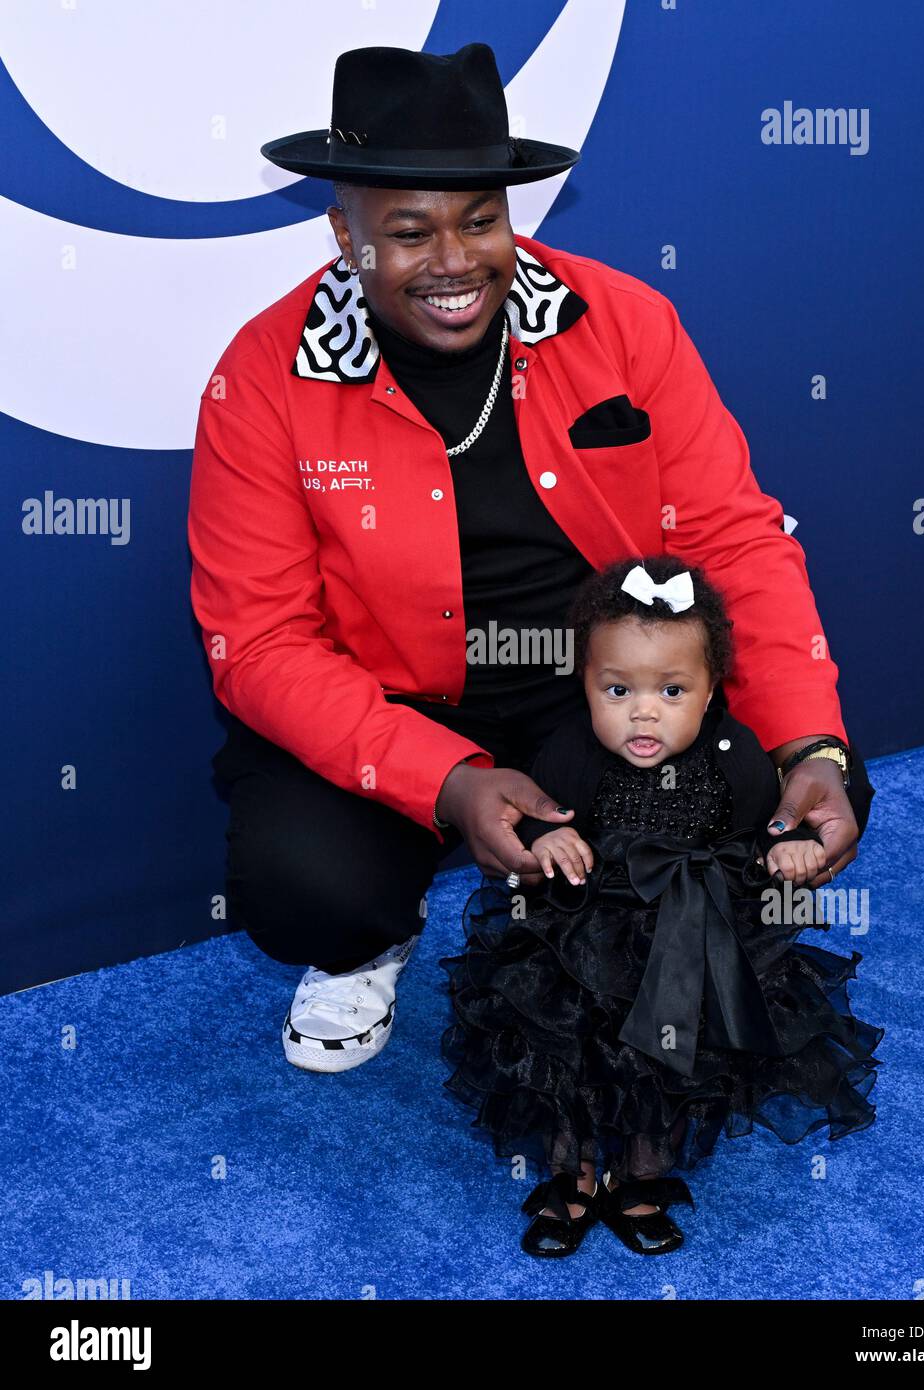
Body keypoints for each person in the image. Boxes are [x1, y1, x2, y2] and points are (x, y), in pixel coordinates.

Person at [189, 42, 870, 1075]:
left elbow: (732, 540)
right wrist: (446, 778)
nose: (455, 261)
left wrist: (809, 744)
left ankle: (572, 925)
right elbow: (262, 643)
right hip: (386, 704)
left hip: (586, 696)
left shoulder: (624, 324)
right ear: (343, 234)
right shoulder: (262, 377)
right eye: (408, 231)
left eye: (479, 220)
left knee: (732, 796)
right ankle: (385, 925)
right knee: (304, 888)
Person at [438, 555, 882, 1257]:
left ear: (711, 693)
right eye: (617, 689)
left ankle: (643, 1175)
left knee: (676, 1065)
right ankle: (573, 1170)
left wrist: (789, 850)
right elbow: (532, 819)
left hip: (697, 936)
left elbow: (766, 832)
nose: (643, 711)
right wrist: (549, 840)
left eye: (672, 690)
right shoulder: (571, 751)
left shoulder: (736, 755)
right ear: (585, 683)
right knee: (572, 1060)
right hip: (584, 940)